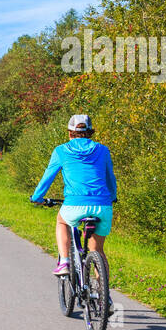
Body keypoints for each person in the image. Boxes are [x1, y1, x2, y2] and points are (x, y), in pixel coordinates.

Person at [29, 114, 118, 276]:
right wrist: (112, 196)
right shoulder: (103, 150)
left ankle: (64, 262)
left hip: (74, 204)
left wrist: (37, 198)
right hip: (102, 205)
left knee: (62, 222)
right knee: (97, 249)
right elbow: (110, 178)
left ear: (70, 133)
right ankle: (104, 297)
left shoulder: (61, 151)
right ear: (91, 132)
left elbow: (47, 178)